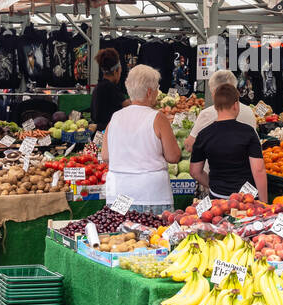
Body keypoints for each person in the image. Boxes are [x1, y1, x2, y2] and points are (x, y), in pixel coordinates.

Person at [100, 64, 179, 215]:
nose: (157, 93)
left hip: (119, 193)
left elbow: (105, 156)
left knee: (120, 237)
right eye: (156, 89)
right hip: (151, 195)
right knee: (153, 236)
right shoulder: (157, 118)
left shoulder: (115, 118)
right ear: (149, 92)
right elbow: (173, 156)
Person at [189, 84, 266, 200]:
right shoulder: (248, 132)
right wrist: (264, 202)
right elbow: (258, 169)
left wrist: (214, 186)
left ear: (215, 106)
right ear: (236, 105)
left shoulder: (203, 135)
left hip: (217, 199)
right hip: (246, 199)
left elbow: (195, 171)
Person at [185, 69, 257, 152]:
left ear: (214, 92)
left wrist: (186, 142)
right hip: (244, 164)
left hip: (213, 164)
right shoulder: (249, 111)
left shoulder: (207, 114)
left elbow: (190, 146)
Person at [90, 48, 128, 131]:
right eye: (120, 72)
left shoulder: (99, 87)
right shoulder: (110, 87)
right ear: (115, 71)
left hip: (99, 131)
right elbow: (127, 105)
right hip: (106, 131)